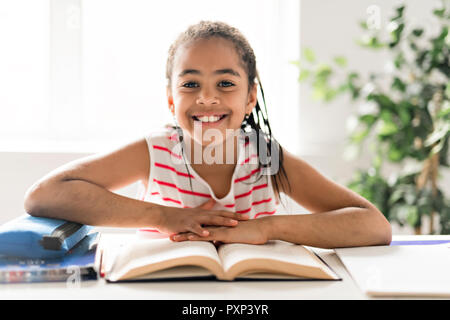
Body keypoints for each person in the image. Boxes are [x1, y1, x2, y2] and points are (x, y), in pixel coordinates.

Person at [24, 21, 391, 249]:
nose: (207, 98)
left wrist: (266, 229)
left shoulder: (267, 156)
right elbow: (43, 196)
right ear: (171, 99)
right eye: (191, 83)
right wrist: (165, 217)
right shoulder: (155, 152)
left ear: (250, 97)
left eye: (226, 83)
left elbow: (373, 225)